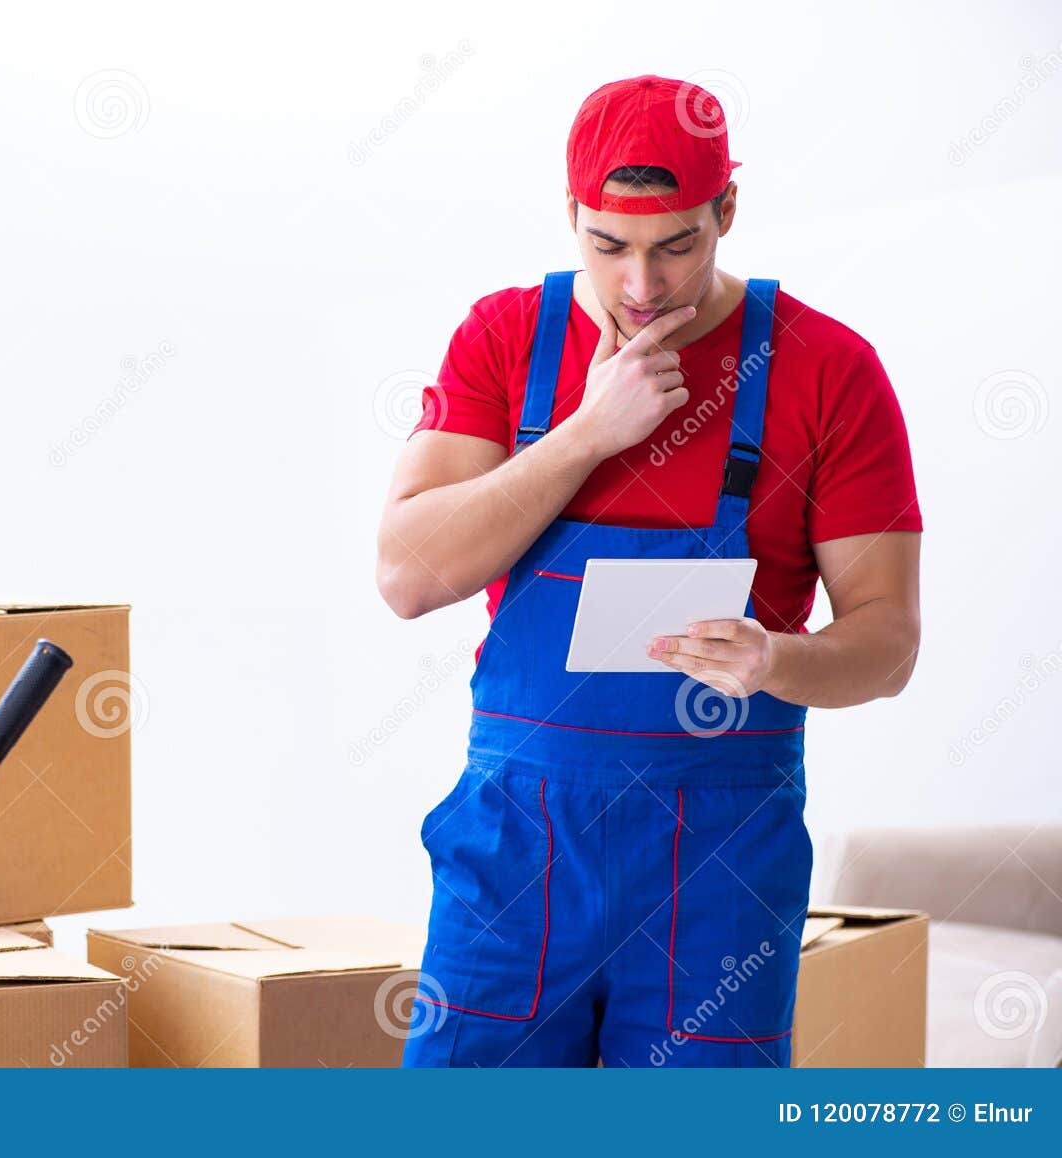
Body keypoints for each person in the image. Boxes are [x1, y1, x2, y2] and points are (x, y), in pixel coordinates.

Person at [377, 74, 922, 1067]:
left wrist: (776, 659)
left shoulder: (824, 369)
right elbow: (407, 577)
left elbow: (886, 646)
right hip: (514, 850)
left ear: (726, 212)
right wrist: (584, 435)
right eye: (608, 247)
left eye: (676, 246)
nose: (641, 287)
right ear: (571, 217)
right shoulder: (506, 339)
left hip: (720, 865)